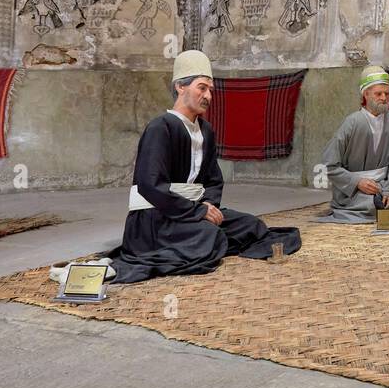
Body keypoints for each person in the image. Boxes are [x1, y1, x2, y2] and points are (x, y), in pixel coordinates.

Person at [109, 51, 301, 283]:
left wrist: (208, 205)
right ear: (180, 87)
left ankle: (203, 239)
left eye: (210, 90)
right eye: (202, 88)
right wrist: (198, 212)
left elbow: (213, 179)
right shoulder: (160, 128)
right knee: (210, 236)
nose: (208, 95)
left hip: (190, 211)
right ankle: (199, 241)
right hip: (155, 218)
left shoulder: (206, 130)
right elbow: (150, 186)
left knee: (252, 226)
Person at [315, 64, 389, 223]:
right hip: (354, 189)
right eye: (378, 94)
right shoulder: (352, 122)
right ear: (366, 94)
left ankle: (386, 199)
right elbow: (329, 164)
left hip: (384, 185)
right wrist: (357, 182)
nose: (383, 98)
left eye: (386, 94)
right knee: (373, 205)